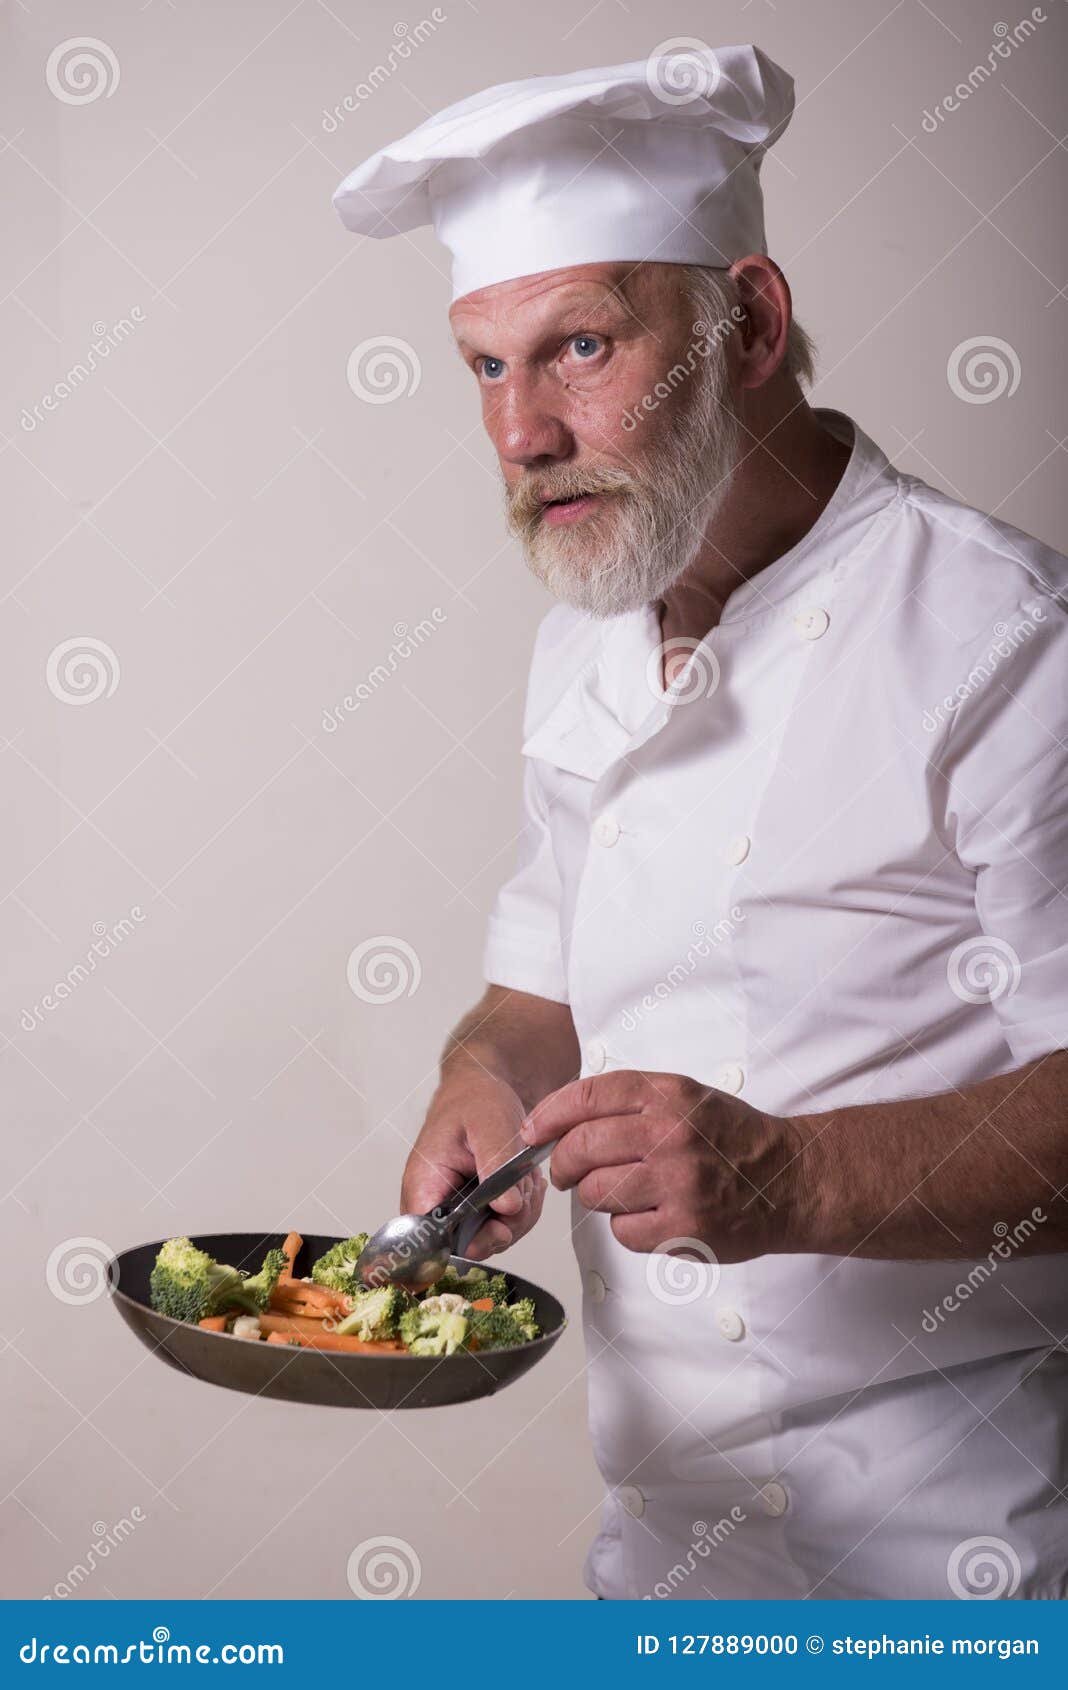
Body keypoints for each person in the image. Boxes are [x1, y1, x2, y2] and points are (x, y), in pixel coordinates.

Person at [334, 45, 1068, 1600]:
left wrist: (790, 1180)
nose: (520, 433)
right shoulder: (590, 624)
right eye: (484, 364)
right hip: (668, 1551)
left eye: (579, 346)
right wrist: (483, 1074)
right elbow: (542, 976)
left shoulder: (1002, 636)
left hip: (975, 1549)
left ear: (750, 326)